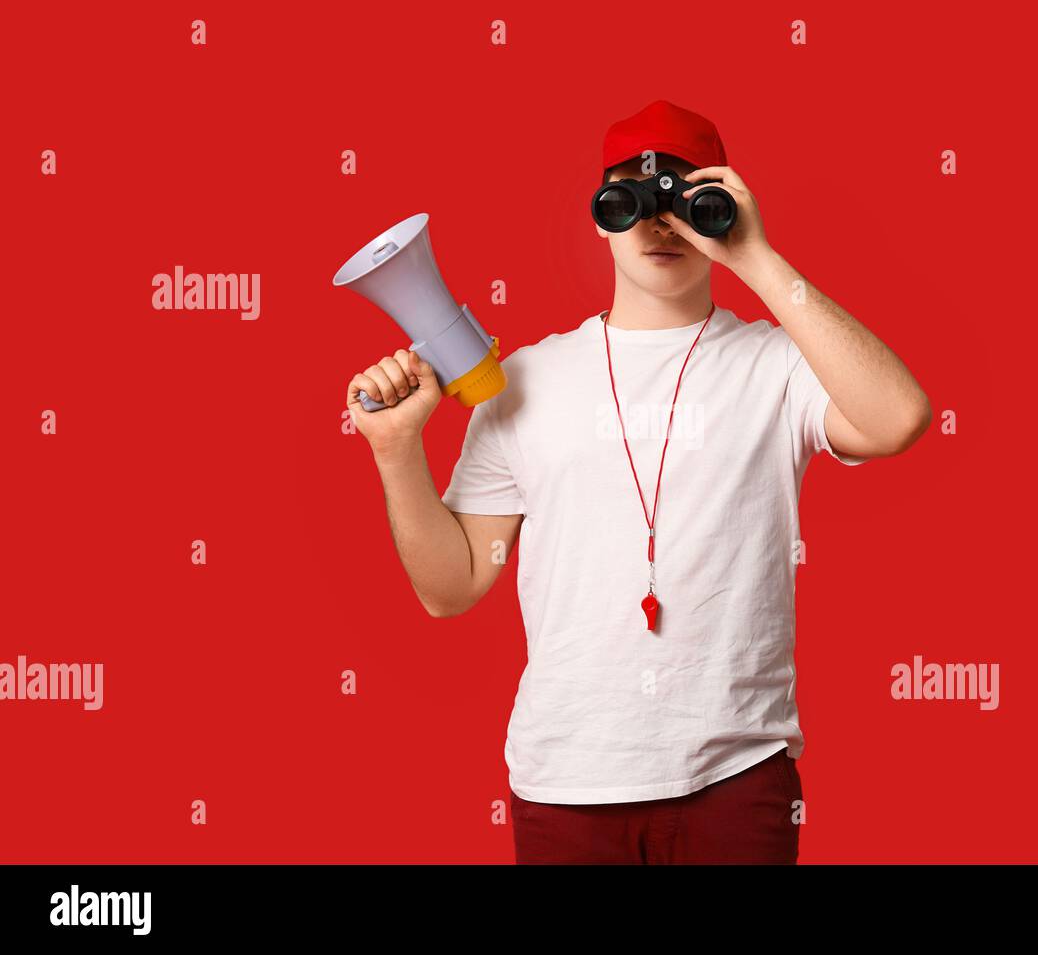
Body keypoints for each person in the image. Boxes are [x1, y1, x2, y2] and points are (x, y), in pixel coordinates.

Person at [345, 100, 931, 864]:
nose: (658, 223)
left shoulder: (779, 365)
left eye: (689, 199)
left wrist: (753, 256)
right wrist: (396, 451)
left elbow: (899, 418)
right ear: (601, 216)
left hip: (738, 775)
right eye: (633, 199)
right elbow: (449, 588)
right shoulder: (523, 381)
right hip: (566, 779)